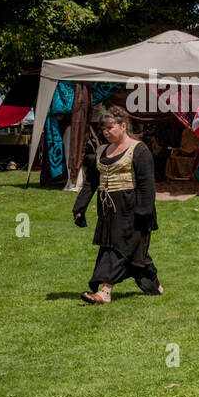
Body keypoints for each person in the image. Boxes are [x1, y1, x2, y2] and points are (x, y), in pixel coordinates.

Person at [72, 106, 163, 304]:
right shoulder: (102, 150)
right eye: (103, 128)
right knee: (132, 251)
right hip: (108, 209)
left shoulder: (139, 149)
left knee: (118, 250)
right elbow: (91, 181)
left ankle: (105, 291)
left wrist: (144, 212)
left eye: (110, 128)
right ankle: (153, 283)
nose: (106, 132)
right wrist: (80, 207)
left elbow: (147, 184)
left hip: (132, 208)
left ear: (123, 126)